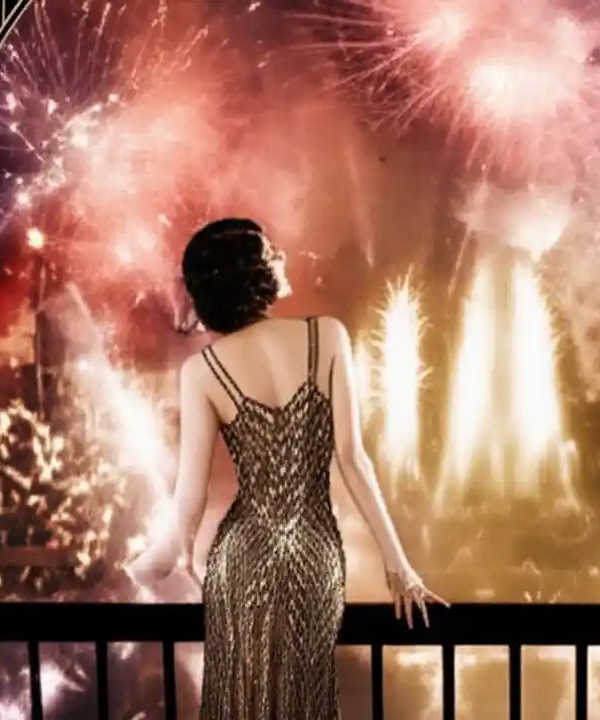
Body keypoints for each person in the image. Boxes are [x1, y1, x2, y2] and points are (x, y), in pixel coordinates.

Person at [125, 218, 446, 718]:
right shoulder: (328, 336)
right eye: (272, 251)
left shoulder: (202, 372)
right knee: (306, 700)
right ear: (256, 273)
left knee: (243, 701)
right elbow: (353, 460)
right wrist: (398, 566)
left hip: (241, 556)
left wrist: (154, 564)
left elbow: (189, 501)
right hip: (315, 553)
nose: (283, 257)